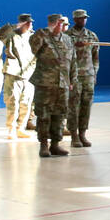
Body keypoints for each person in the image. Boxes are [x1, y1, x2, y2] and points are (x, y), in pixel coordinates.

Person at [30, 13, 74, 157]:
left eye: (62, 23)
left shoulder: (67, 39)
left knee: (60, 115)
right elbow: (33, 47)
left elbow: (72, 62)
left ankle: (55, 144)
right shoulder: (42, 36)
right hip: (45, 83)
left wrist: (72, 80)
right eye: (57, 23)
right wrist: (48, 30)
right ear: (51, 23)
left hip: (63, 84)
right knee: (43, 115)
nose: (60, 25)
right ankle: (43, 145)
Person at [0, 14, 36, 139]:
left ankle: (21, 127)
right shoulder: (11, 35)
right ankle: (11, 128)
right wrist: (15, 26)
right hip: (13, 72)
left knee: (26, 103)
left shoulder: (33, 37)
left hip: (29, 74)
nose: (29, 24)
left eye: (30, 22)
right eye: (26, 22)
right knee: (12, 102)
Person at [66, 8, 99, 148]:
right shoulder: (67, 36)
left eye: (85, 18)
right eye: (80, 18)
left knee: (86, 106)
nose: (83, 20)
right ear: (74, 19)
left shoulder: (92, 36)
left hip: (88, 76)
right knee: (74, 106)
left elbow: (95, 58)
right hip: (74, 76)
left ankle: (82, 134)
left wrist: (94, 73)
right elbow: (63, 56)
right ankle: (74, 135)